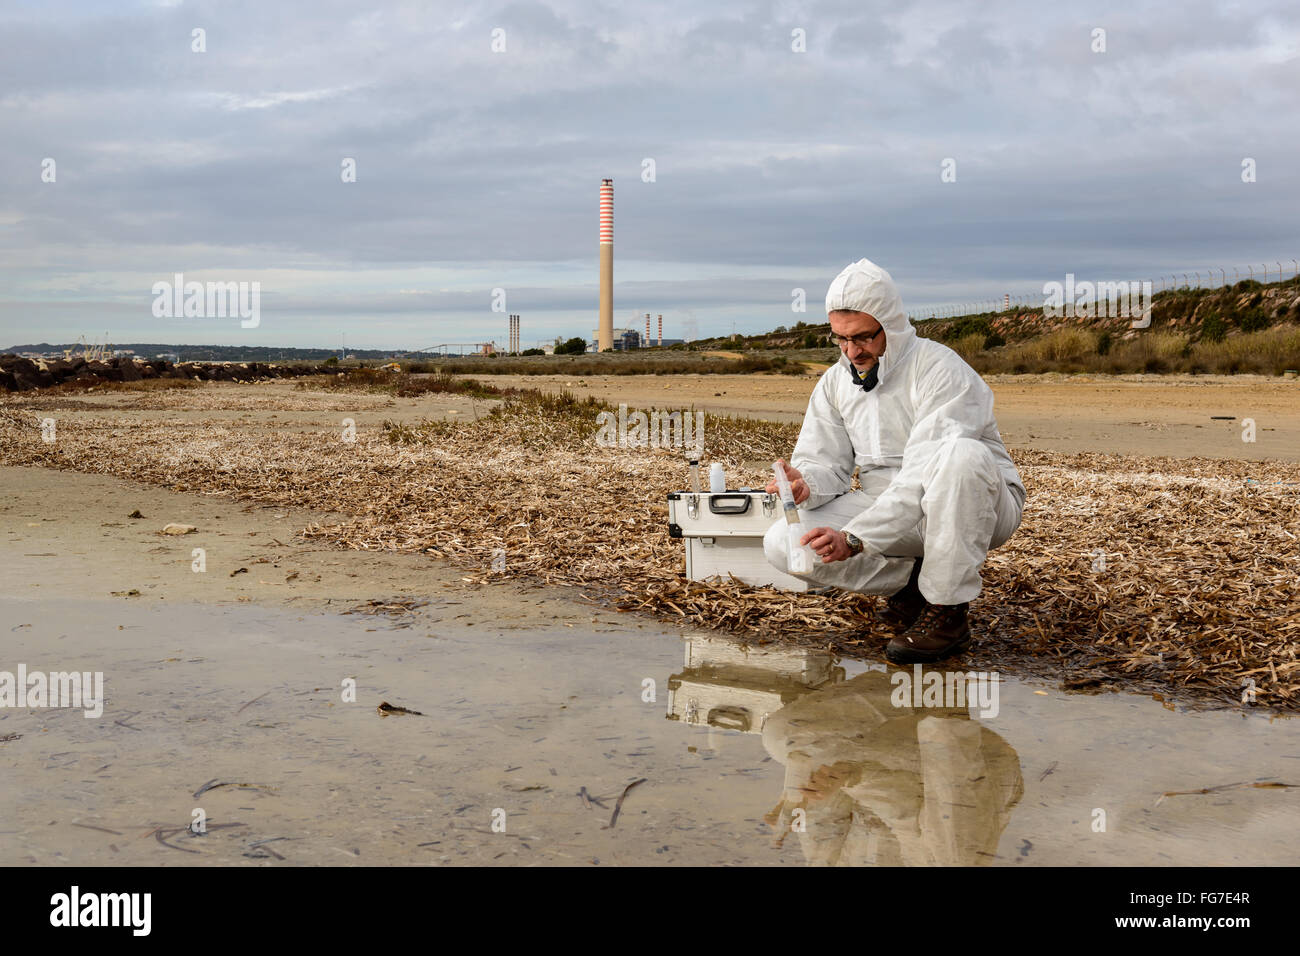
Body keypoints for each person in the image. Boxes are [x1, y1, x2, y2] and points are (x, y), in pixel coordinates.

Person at [763, 258, 1026, 664]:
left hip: (974, 503)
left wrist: (854, 538)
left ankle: (948, 611)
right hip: (886, 510)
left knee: (961, 454)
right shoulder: (835, 382)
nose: (852, 351)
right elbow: (825, 462)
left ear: (893, 326)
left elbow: (921, 475)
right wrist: (806, 484)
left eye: (864, 338)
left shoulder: (940, 368)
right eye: (840, 339)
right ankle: (912, 584)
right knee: (782, 542)